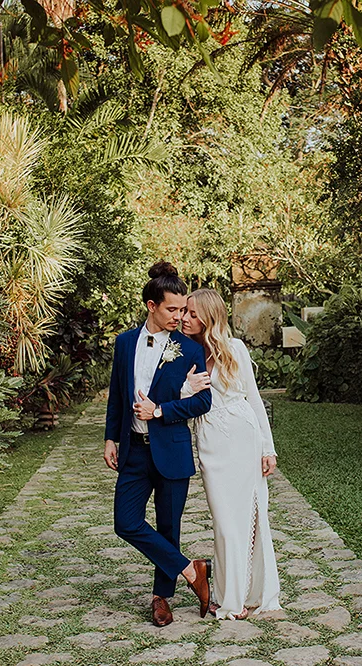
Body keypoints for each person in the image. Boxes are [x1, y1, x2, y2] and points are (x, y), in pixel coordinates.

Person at [141, 288, 282, 620]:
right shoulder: (182, 352)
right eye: (183, 313)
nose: (183, 318)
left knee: (244, 519)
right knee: (223, 520)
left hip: (241, 434)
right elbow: (177, 400)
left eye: (191, 313)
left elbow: (254, 399)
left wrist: (268, 447)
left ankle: (237, 599)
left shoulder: (234, 349)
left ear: (208, 316)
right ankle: (226, 591)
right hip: (209, 440)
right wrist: (185, 389)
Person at [103, 262, 214, 627]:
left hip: (172, 449)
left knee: (170, 527)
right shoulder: (124, 343)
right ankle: (191, 569)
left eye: (183, 309)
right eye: (172, 309)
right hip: (134, 450)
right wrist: (110, 437)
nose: (179, 316)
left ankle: (161, 599)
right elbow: (117, 396)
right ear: (151, 306)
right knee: (126, 522)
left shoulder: (190, 349)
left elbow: (201, 403)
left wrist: (160, 410)